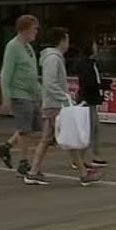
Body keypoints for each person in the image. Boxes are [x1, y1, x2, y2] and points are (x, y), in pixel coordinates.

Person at [24, 27, 102, 187]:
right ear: (61, 40)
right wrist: (65, 99)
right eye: (66, 39)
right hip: (56, 105)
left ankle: (33, 172)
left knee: (47, 139)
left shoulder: (52, 57)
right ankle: (83, 174)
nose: (68, 43)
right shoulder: (54, 58)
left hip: (52, 104)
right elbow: (50, 83)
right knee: (69, 137)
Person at [0, 15, 42, 177]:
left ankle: (6, 147)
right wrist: (6, 96)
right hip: (19, 93)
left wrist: (40, 93)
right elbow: (6, 73)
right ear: (25, 29)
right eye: (34, 28)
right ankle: (23, 163)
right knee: (24, 130)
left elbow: (31, 73)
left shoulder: (27, 47)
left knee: (31, 126)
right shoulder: (13, 46)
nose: (36, 32)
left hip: (31, 94)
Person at [72, 41, 110, 169]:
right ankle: (80, 158)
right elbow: (88, 82)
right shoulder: (85, 64)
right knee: (89, 128)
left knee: (95, 128)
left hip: (92, 99)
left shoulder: (93, 63)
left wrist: (104, 85)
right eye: (94, 45)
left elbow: (95, 80)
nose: (96, 47)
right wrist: (100, 86)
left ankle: (95, 155)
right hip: (87, 99)